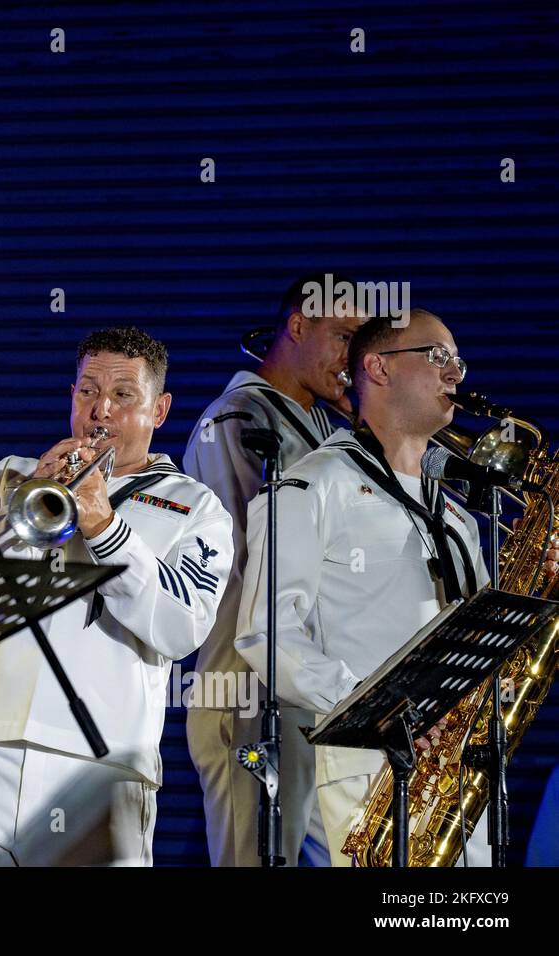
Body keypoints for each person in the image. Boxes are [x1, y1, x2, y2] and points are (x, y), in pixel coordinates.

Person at [236, 309, 556, 865]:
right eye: (437, 357)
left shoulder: (456, 517)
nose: (455, 372)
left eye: (458, 360)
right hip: (367, 777)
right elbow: (266, 632)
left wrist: (541, 585)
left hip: (459, 780)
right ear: (378, 368)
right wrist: (373, 708)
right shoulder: (312, 484)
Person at [0, 327, 233, 866]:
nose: (100, 410)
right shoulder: (11, 478)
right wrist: (23, 504)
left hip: (101, 764)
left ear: (160, 409)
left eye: (123, 395)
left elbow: (181, 629)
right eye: (87, 391)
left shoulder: (195, 507)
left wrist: (105, 527)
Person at [183, 274, 363, 866]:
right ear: (297, 326)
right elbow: (243, 564)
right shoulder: (239, 418)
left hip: (300, 695)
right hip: (247, 694)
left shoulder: (323, 429)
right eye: (342, 337)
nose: (351, 359)